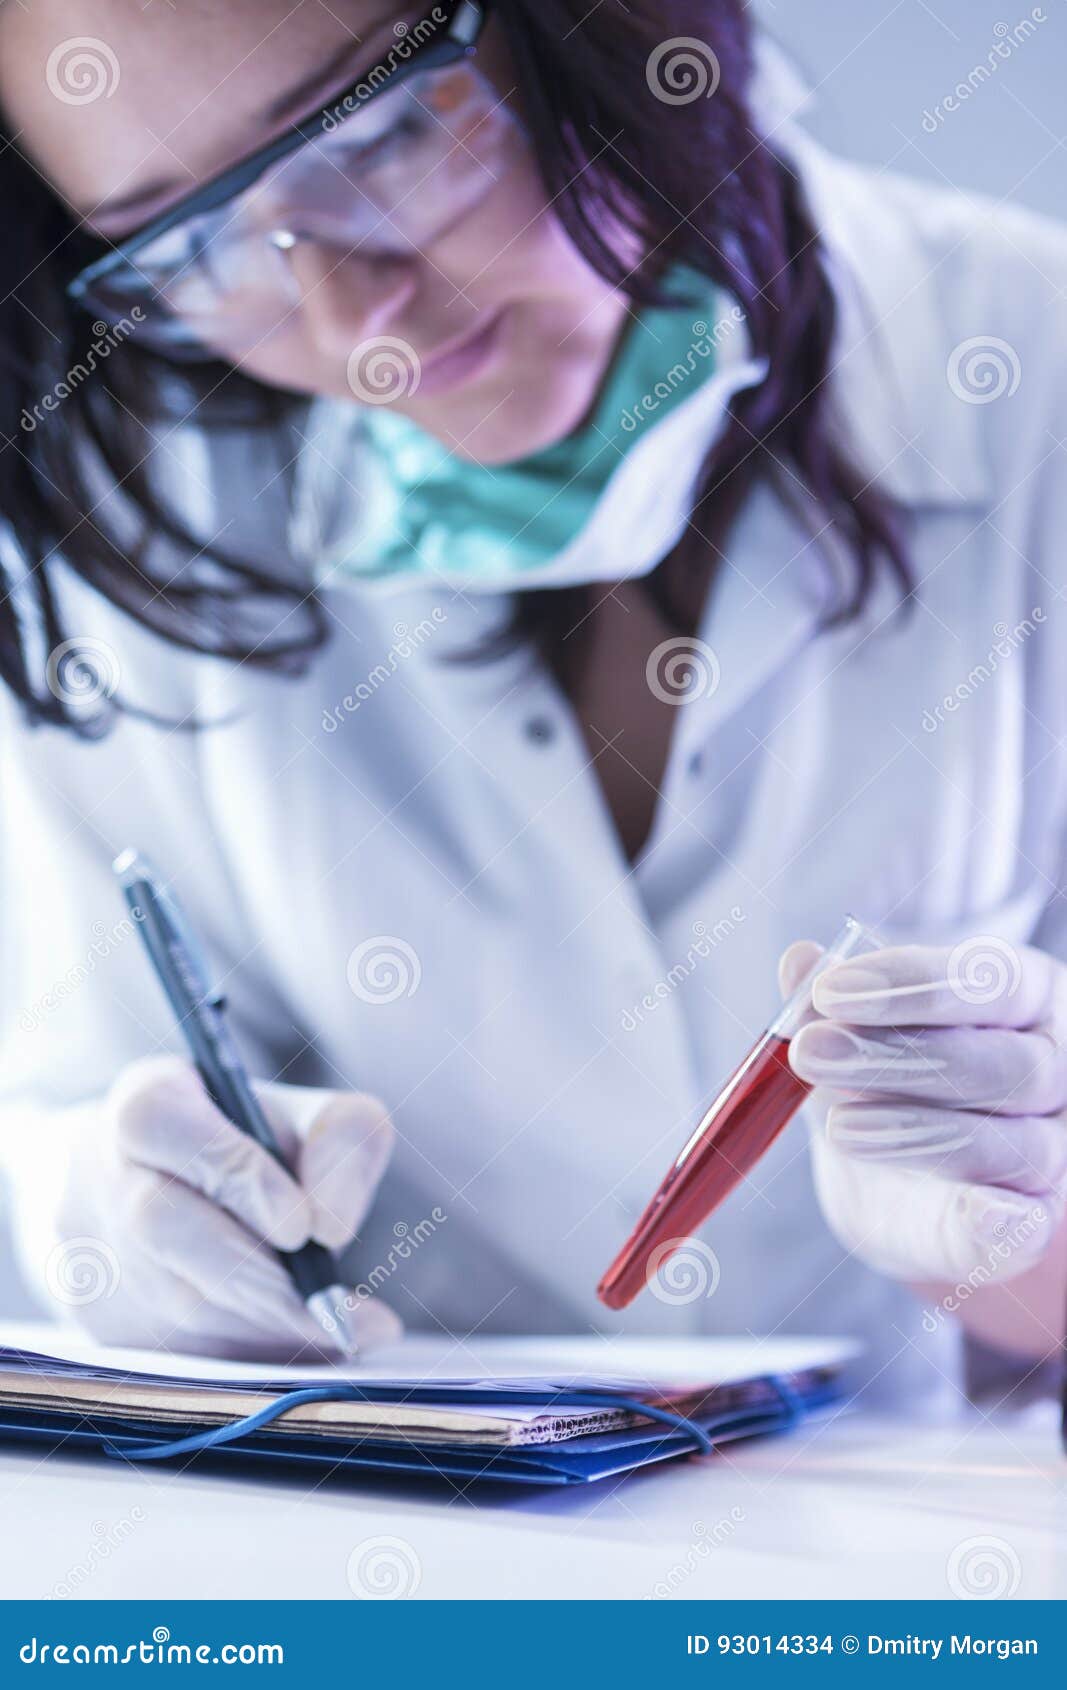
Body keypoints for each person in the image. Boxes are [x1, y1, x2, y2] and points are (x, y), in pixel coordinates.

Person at [0, 0, 1064, 1396]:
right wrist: (101, 1206)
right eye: (186, 242)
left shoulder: (1027, 368)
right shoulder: (146, 527)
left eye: (376, 132)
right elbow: (73, 1100)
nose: (342, 313)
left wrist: (1018, 1241)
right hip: (401, 1555)